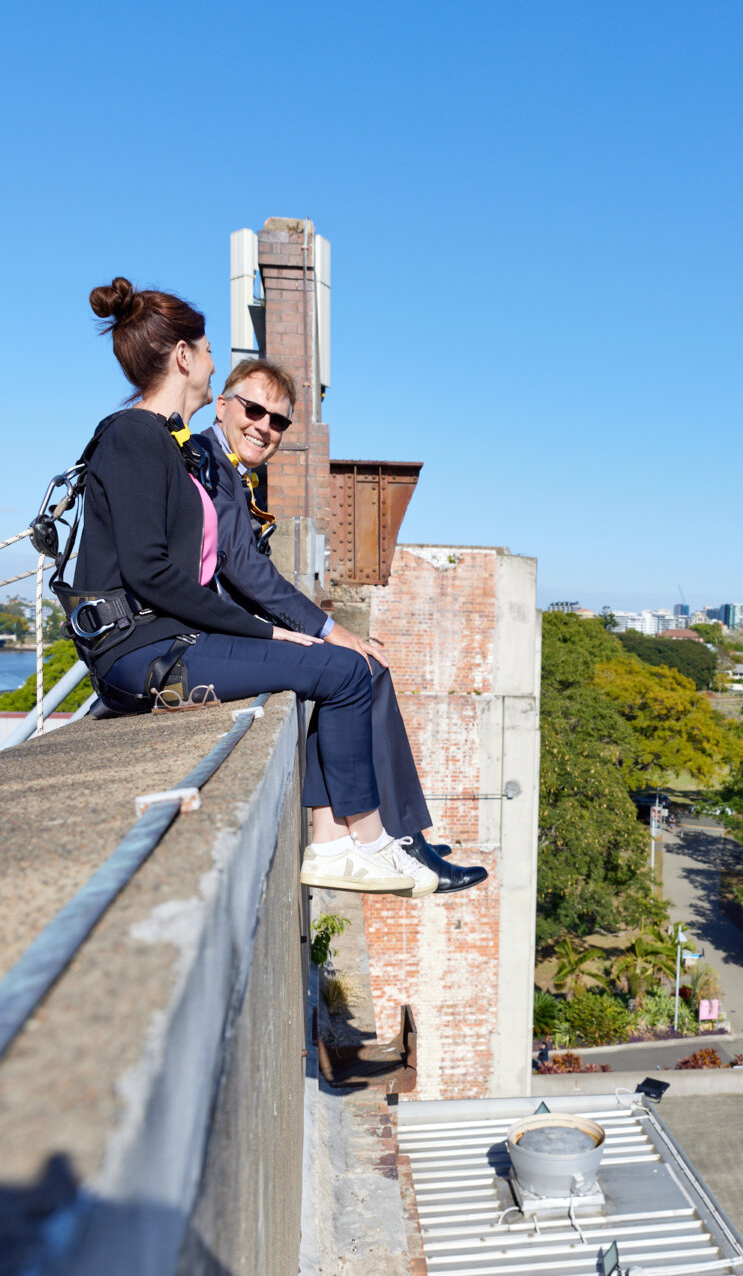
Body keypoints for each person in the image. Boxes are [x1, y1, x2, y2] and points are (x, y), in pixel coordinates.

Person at [73, 277, 437, 899]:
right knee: (342, 671)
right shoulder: (134, 436)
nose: (214, 363)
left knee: (335, 667)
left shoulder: (166, 442)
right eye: (208, 350)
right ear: (183, 356)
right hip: (141, 654)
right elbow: (149, 573)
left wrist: (273, 633)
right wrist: (268, 632)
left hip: (164, 642)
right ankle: (362, 844)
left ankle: (339, 845)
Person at [192, 358, 485, 895]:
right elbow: (242, 568)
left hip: (230, 628)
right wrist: (328, 629)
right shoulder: (208, 459)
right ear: (222, 405)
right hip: (210, 639)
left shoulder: (233, 467)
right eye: (253, 410)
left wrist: (323, 631)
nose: (264, 426)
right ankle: (391, 839)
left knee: (363, 666)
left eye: (278, 420)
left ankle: (397, 835)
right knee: (354, 666)